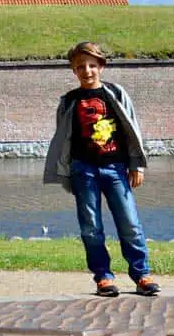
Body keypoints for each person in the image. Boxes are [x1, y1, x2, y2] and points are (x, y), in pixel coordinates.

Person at [43, 42, 160, 298]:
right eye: (81, 67)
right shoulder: (69, 101)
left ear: (102, 67)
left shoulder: (115, 94)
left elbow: (132, 131)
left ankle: (142, 275)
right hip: (84, 170)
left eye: (92, 66)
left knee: (130, 223)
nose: (87, 71)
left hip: (116, 168)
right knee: (91, 227)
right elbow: (63, 139)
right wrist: (67, 172)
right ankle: (103, 277)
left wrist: (136, 164)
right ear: (74, 71)